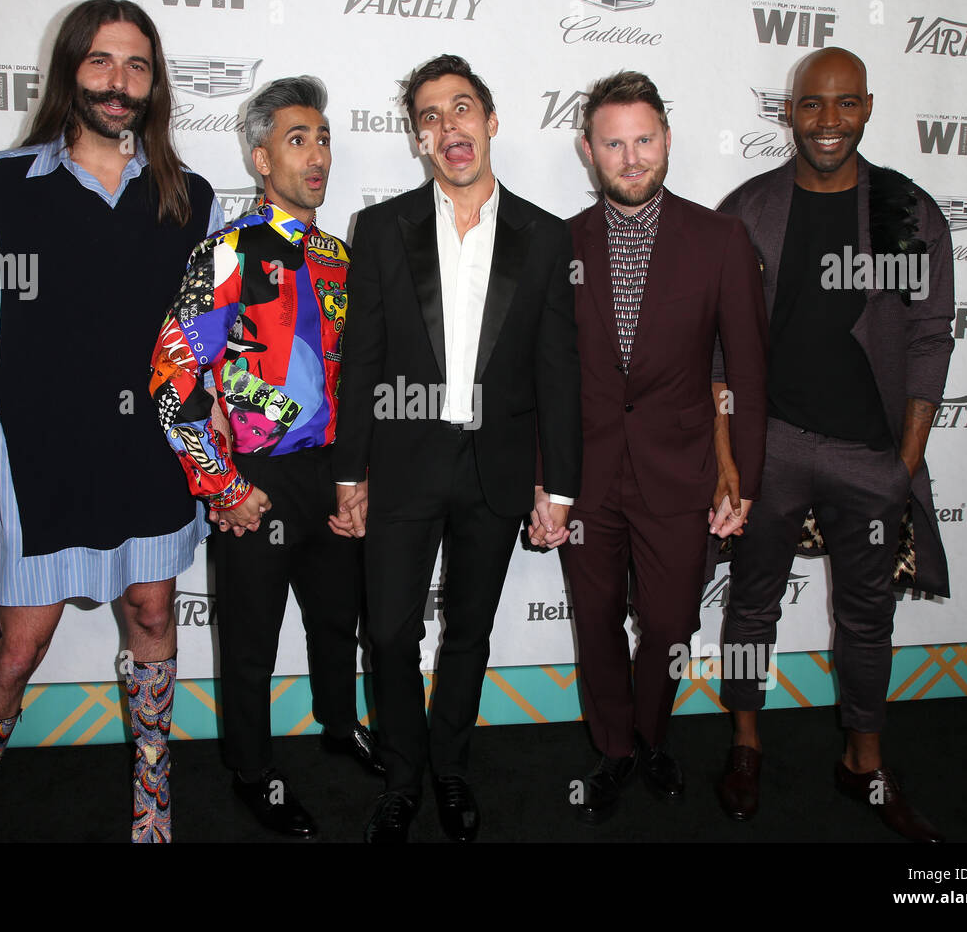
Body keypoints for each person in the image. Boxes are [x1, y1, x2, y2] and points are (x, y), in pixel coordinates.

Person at [0, 0, 224, 843]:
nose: (118, 83)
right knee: (18, 649)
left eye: (137, 66)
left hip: (153, 453)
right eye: (101, 62)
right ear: (70, 72)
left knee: (154, 615)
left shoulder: (192, 198)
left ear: (155, 85)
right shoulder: (1, 183)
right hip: (42, 453)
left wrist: (223, 450)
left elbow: (206, 343)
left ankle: (152, 803)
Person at [331, 54, 581, 843]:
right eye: (430, 116)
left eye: (461, 108)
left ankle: (450, 768)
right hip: (402, 467)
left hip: (496, 471)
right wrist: (350, 471)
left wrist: (560, 486)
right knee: (392, 634)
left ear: (491, 120)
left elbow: (558, 370)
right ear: (418, 139)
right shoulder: (379, 229)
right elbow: (361, 359)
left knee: (468, 633)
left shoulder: (544, 235)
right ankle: (404, 776)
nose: (449, 127)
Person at [714, 47, 954, 842]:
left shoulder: (905, 212)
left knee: (867, 619)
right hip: (770, 445)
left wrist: (905, 463)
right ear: (790, 111)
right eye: (813, 105)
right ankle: (746, 739)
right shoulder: (749, 208)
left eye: (845, 104)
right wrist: (727, 457)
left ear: (868, 107)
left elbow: (927, 339)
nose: (828, 122)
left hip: (868, 455)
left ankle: (865, 762)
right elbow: (717, 346)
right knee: (750, 607)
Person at [149, 76, 380, 840]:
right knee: (250, 644)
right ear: (258, 158)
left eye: (322, 138)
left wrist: (359, 476)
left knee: (337, 621)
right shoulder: (228, 254)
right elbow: (170, 379)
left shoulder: (343, 258)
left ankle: (341, 731)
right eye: (296, 139)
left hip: (332, 476)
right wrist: (223, 484)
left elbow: (361, 379)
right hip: (256, 480)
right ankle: (252, 772)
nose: (317, 156)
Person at [560, 72, 768, 824]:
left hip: (683, 471)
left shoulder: (719, 240)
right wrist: (546, 480)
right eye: (613, 142)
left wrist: (740, 474)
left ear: (668, 141)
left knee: (672, 624)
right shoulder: (563, 243)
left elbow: (744, 366)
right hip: (585, 475)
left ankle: (651, 733)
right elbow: (546, 374)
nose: (631, 156)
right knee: (596, 619)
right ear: (588, 150)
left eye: (643, 139)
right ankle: (615, 746)